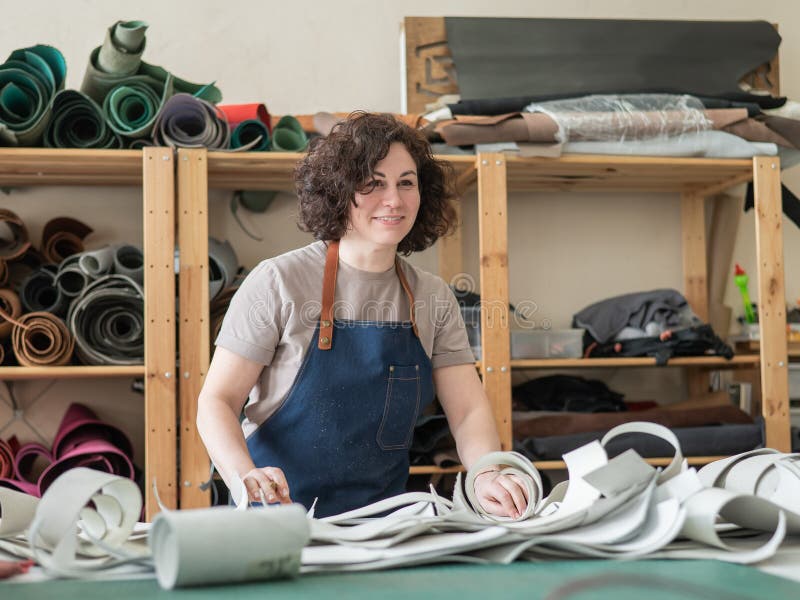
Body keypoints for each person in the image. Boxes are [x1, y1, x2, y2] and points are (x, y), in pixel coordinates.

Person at [197, 112, 529, 519]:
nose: (394, 199)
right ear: (339, 191)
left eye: (406, 183)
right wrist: (244, 476)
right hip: (276, 519)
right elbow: (217, 400)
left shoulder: (433, 296)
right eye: (372, 183)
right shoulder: (278, 282)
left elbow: (468, 411)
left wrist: (486, 473)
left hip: (384, 527)